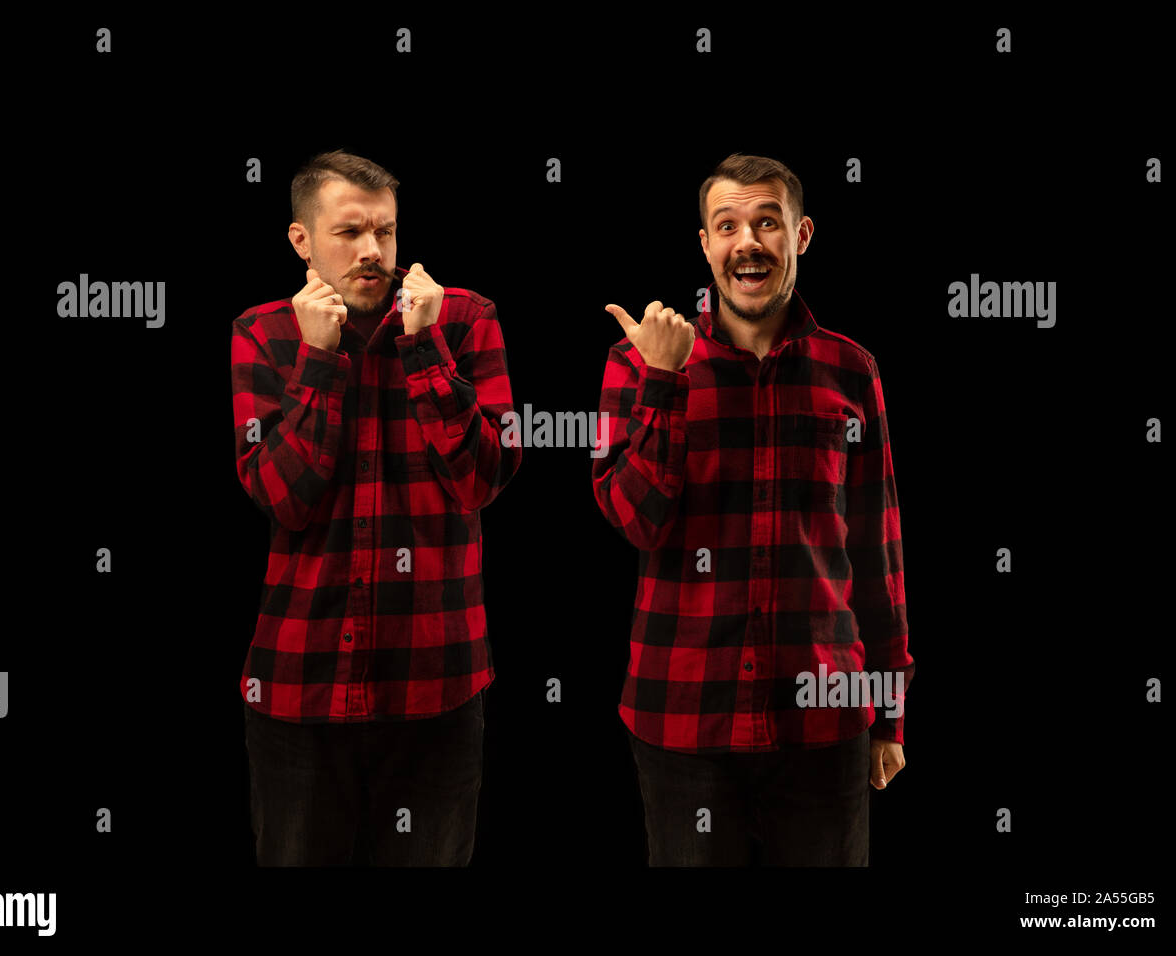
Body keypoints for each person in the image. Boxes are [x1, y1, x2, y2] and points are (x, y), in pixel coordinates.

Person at [592, 153, 913, 866]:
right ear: (705, 245)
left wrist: (889, 712)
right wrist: (665, 383)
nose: (749, 240)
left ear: (800, 236)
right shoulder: (638, 361)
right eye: (728, 224)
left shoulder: (852, 369)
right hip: (683, 722)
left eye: (768, 222)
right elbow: (632, 519)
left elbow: (877, 550)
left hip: (827, 723)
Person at [230, 149, 521, 865]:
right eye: (349, 233)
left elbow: (483, 481)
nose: (372, 252)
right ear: (301, 241)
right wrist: (320, 362)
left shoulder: (464, 319)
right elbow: (280, 498)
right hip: (301, 691)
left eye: (385, 233)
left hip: (439, 690)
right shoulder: (263, 332)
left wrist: (424, 350)